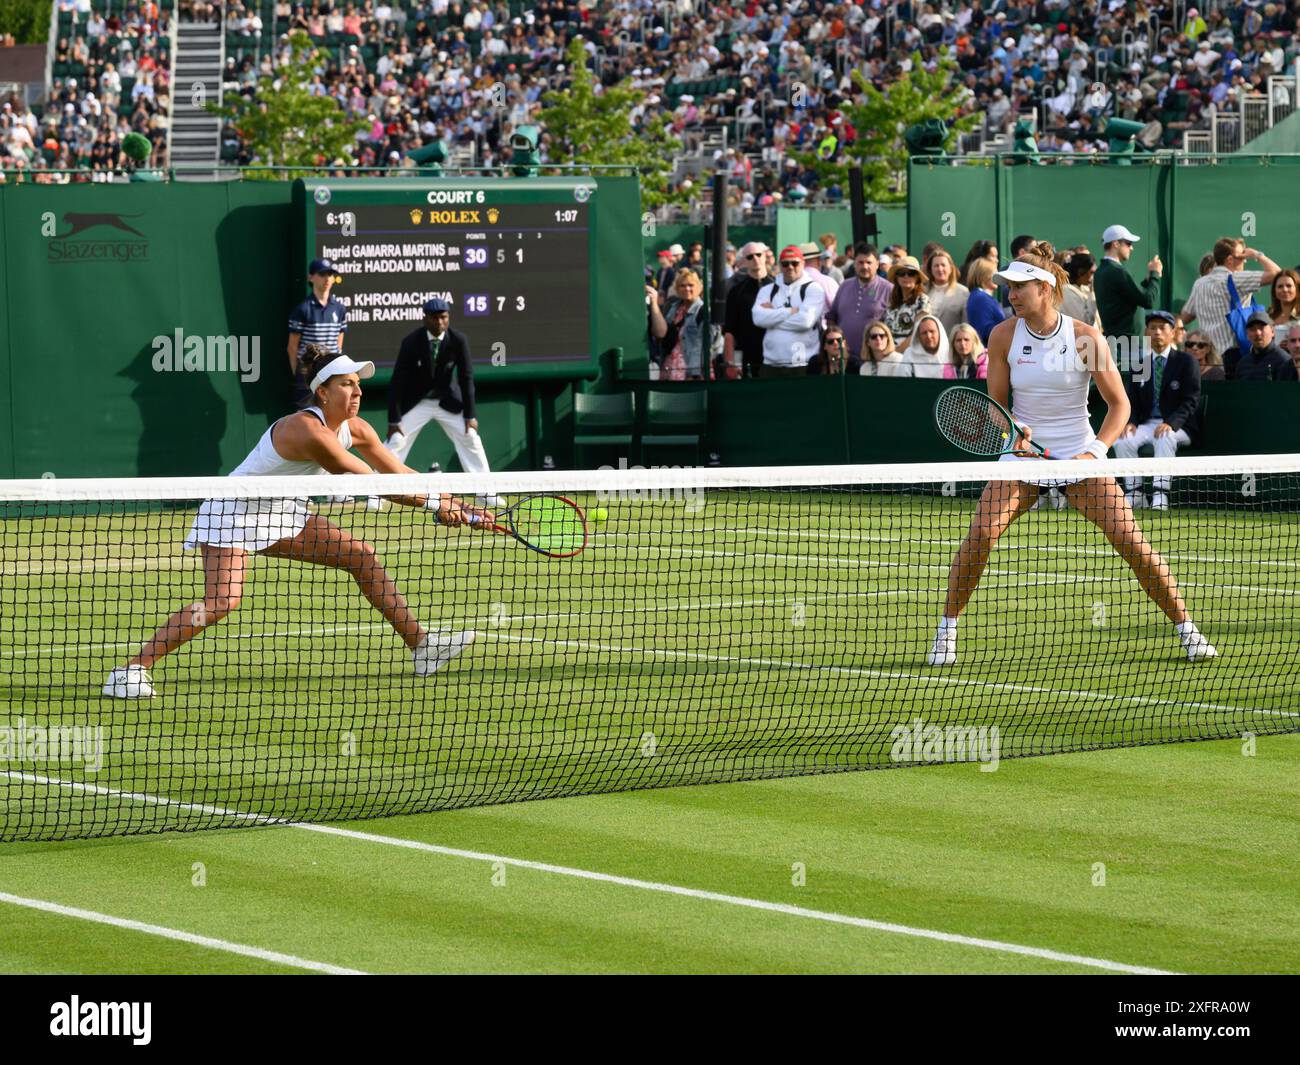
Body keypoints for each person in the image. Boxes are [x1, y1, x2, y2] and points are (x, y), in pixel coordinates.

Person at [103, 346, 493, 699]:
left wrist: (459, 503)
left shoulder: (358, 429)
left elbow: (401, 473)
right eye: (347, 384)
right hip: (233, 512)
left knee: (361, 556)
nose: (357, 392)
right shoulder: (306, 430)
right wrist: (435, 507)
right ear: (322, 392)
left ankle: (423, 647)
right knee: (221, 602)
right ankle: (129, 672)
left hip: (283, 509)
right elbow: (372, 482)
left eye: (358, 384)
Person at [925, 243, 1217, 668]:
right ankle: (947, 631)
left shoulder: (1085, 337)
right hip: (1023, 458)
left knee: (1130, 541)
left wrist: (1093, 453)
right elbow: (997, 405)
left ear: (1045, 288)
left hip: (1079, 453)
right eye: (1008, 287)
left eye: (1020, 287)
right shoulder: (1003, 335)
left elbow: (1120, 405)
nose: (1011, 294)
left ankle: (1188, 630)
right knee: (983, 534)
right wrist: (1013, 429)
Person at [386, 298, 504, 507]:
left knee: (471, 437)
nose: (440, 322)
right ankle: (377, 492)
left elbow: (466, 378)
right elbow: (397, 381)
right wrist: (394, 421)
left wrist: (470, 415)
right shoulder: (411, 342)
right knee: (396, 440)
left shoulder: (459, 340)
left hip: (448, 402)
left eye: (444, 317)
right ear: (425, 318)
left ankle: (485, 492)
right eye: (435, 317)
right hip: (418, 402)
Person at [1112, 310, 1202, 510]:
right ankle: (1135, 493)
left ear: (1173, 333)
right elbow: (1132, 401)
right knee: (1122, 440)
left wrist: (1171, 423)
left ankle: (1161, 494)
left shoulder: (1187, 362)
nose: (1157, 332)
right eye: (1152, 328)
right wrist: (1131, 422)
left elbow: (1190, 401)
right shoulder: (1139, 365)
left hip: (1180, 426)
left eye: (1162, 328)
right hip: (1147, 425)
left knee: (1165, 437)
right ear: (1146, 333)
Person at [1179, 237, 1283, 356]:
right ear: (1229, 260)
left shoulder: (1199, 283)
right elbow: (1277, 274)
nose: (1244, 261)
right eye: (1242, 257)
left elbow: (1185, 317)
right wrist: (1256, 255)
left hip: (1206, 355)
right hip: (1233, 355)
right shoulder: (1236, 279)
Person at [751, 245, 827, 376]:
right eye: (785, 264)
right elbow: (758, 319)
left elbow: (805, 322)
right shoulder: (767, 290)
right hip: (771, 364)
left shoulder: (814, 289)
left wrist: (772, 317)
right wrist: (789, 311)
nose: (790, 267)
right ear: (780, 266)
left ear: (803, 264)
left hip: (803, 363)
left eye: (795, 263)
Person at [287, 257, 348, 410]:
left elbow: (339, 343)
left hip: (332, 371)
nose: (327, 278)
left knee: (333, 412)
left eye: (330, 274)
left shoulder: (340, 309)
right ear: (311, 278)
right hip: (308, 371)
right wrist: (300, 373)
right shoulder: (302, 309)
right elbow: (292, 347)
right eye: (322, 274)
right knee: (305, 415)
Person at [1093, 224, 1161, 341]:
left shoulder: (1101, 271)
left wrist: (1147, 281)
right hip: (1127, 343)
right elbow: (1148, 300)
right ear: (1116, 244)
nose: (1131, 248)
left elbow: (1130, 297)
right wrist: (1155, 274)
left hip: (1118, 340)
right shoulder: (1117, 271)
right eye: (1128, 243)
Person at [827, 242, 893, 361]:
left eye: (869, 262)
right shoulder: (844, 286)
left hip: (873, 359)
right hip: (844, 359)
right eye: (860, 262)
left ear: (877, 264)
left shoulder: (888, 289)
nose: (865, 267)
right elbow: (831, 318)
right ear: (854, 264)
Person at [723, 241, 771, 378]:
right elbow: (729, 332)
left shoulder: (778, 287)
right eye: (750, 257)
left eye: (758, 255)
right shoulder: (736, 292)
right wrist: (730, 363)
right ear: (744, 261)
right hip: (748, 357)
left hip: (775, 356)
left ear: (765, 256)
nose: (755, 259)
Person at [660, 268, 707, 380]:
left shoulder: (704, 311)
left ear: (699, 287)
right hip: (669, 368)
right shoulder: (672, 308)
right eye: (682, 285)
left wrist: (694, 374)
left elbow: (709, 346)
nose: (687, 288)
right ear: (677, 288)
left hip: (692, 372)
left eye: (691, 285)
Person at [1223, 309, 1292, 380]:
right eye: (1252, 329)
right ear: (1247, 335)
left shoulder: (1284, 361)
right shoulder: (1243, 364)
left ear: (1272, 331)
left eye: (1262, 328)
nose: (1258, 333)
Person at [883, 255, 931, 346]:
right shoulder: (892, 301)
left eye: (911, 273)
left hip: (910, 352)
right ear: (897, 277)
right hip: (888, 351)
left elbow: (918, 333)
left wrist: (897, 351)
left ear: (917, 278)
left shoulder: (922, 300)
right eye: (902, 273)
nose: (906, 276)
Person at [924, 248, 969, 338]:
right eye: (936, 266)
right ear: (930, 269)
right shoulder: (923, 291)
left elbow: (966, 325)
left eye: (943, 265)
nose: (940, 269)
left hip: (951, 343)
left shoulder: (963, 293)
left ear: (951, 268)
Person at [965, 258, 1007, 344]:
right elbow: (985, 330)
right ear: (984, 275)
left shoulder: (980, 296)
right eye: (994, 273)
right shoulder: (980, 298)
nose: (997, 276)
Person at [899, 313, 949, 378]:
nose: (928, 336)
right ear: (918, 336)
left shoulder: (950, 353)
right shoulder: (909, 354)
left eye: (932, 331)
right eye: (924, 333)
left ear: (939, 333)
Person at [1061, 252, 1101, 328]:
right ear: (1081, 272)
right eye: (1092, 272)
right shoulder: (1067, 291)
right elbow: (1087, 322)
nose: (1094, 276)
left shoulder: (1084, 288)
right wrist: (1092, 292)